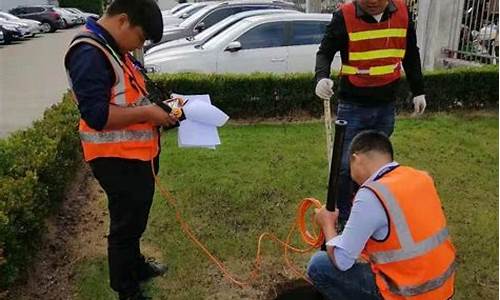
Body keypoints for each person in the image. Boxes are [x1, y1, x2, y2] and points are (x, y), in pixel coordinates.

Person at [64, 0, 177, 299]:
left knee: (136, 220)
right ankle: (126, 290)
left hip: (136, 155)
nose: (139, 45)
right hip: (116, 160)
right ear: (123, 20)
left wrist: (160, 109)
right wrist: (149, 114)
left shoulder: (111, 47)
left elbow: (129, 97)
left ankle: (136, 267)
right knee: (125, 227)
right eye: (141, 38)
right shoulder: (89, 53)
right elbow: (97, 116)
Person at [314, 0, 427, 226]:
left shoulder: (403, 13)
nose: (373, 2)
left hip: (385, 106)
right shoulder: (344, 16)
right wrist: (321, 77)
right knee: (346, 167)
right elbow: (325, 52)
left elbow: (410, 53)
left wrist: (418, 90)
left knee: (378, 167)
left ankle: (371, 213)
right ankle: (345, 219)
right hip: (353, 105)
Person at [307, 130, 456, 300]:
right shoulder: (421, 177)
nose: (351, 175)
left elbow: (342, 261)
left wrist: (327, 223)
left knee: (318, 265)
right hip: (442, 289)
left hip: (407, 294)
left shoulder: (371, 194)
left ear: (356, 159)